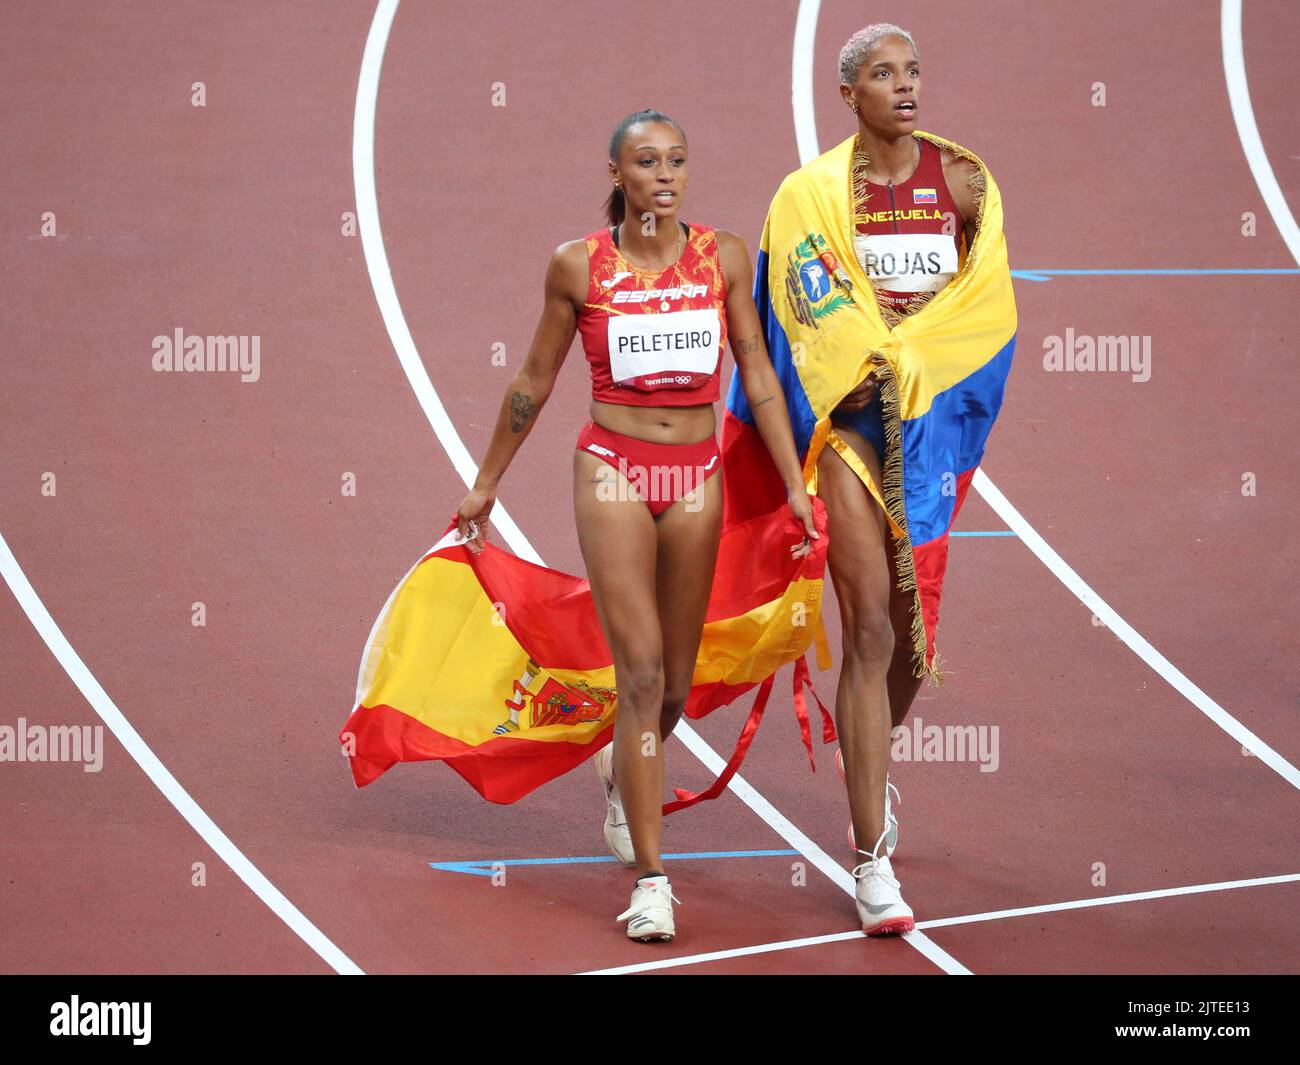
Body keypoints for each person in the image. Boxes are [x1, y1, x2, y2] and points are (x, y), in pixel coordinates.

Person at [454, 109, 817, 942]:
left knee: (676, 690)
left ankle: (625, 769)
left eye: (678, 160)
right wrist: (485, 484)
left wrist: (793, 481)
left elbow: (756, 369)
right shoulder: (579, 266)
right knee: (643, 674)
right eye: (647, 161)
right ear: (617, 174)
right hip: (614, 469)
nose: (666, 174)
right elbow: (534, 379)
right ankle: (654, 879)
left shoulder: (723, 257)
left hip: (696, 478)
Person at [790, 22, 1001, 934]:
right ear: (850, 96)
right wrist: (865, 361)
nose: (905, 85)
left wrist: (923, 368)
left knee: (910, 646)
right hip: (850, 428)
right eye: (883, 74)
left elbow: (988, 308)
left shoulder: (962, 184)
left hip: (931, 435)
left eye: (913, 70)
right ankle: (871, 858)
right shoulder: (813, 194)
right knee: (868, 625)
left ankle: (865, 752)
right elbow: (798, 308)